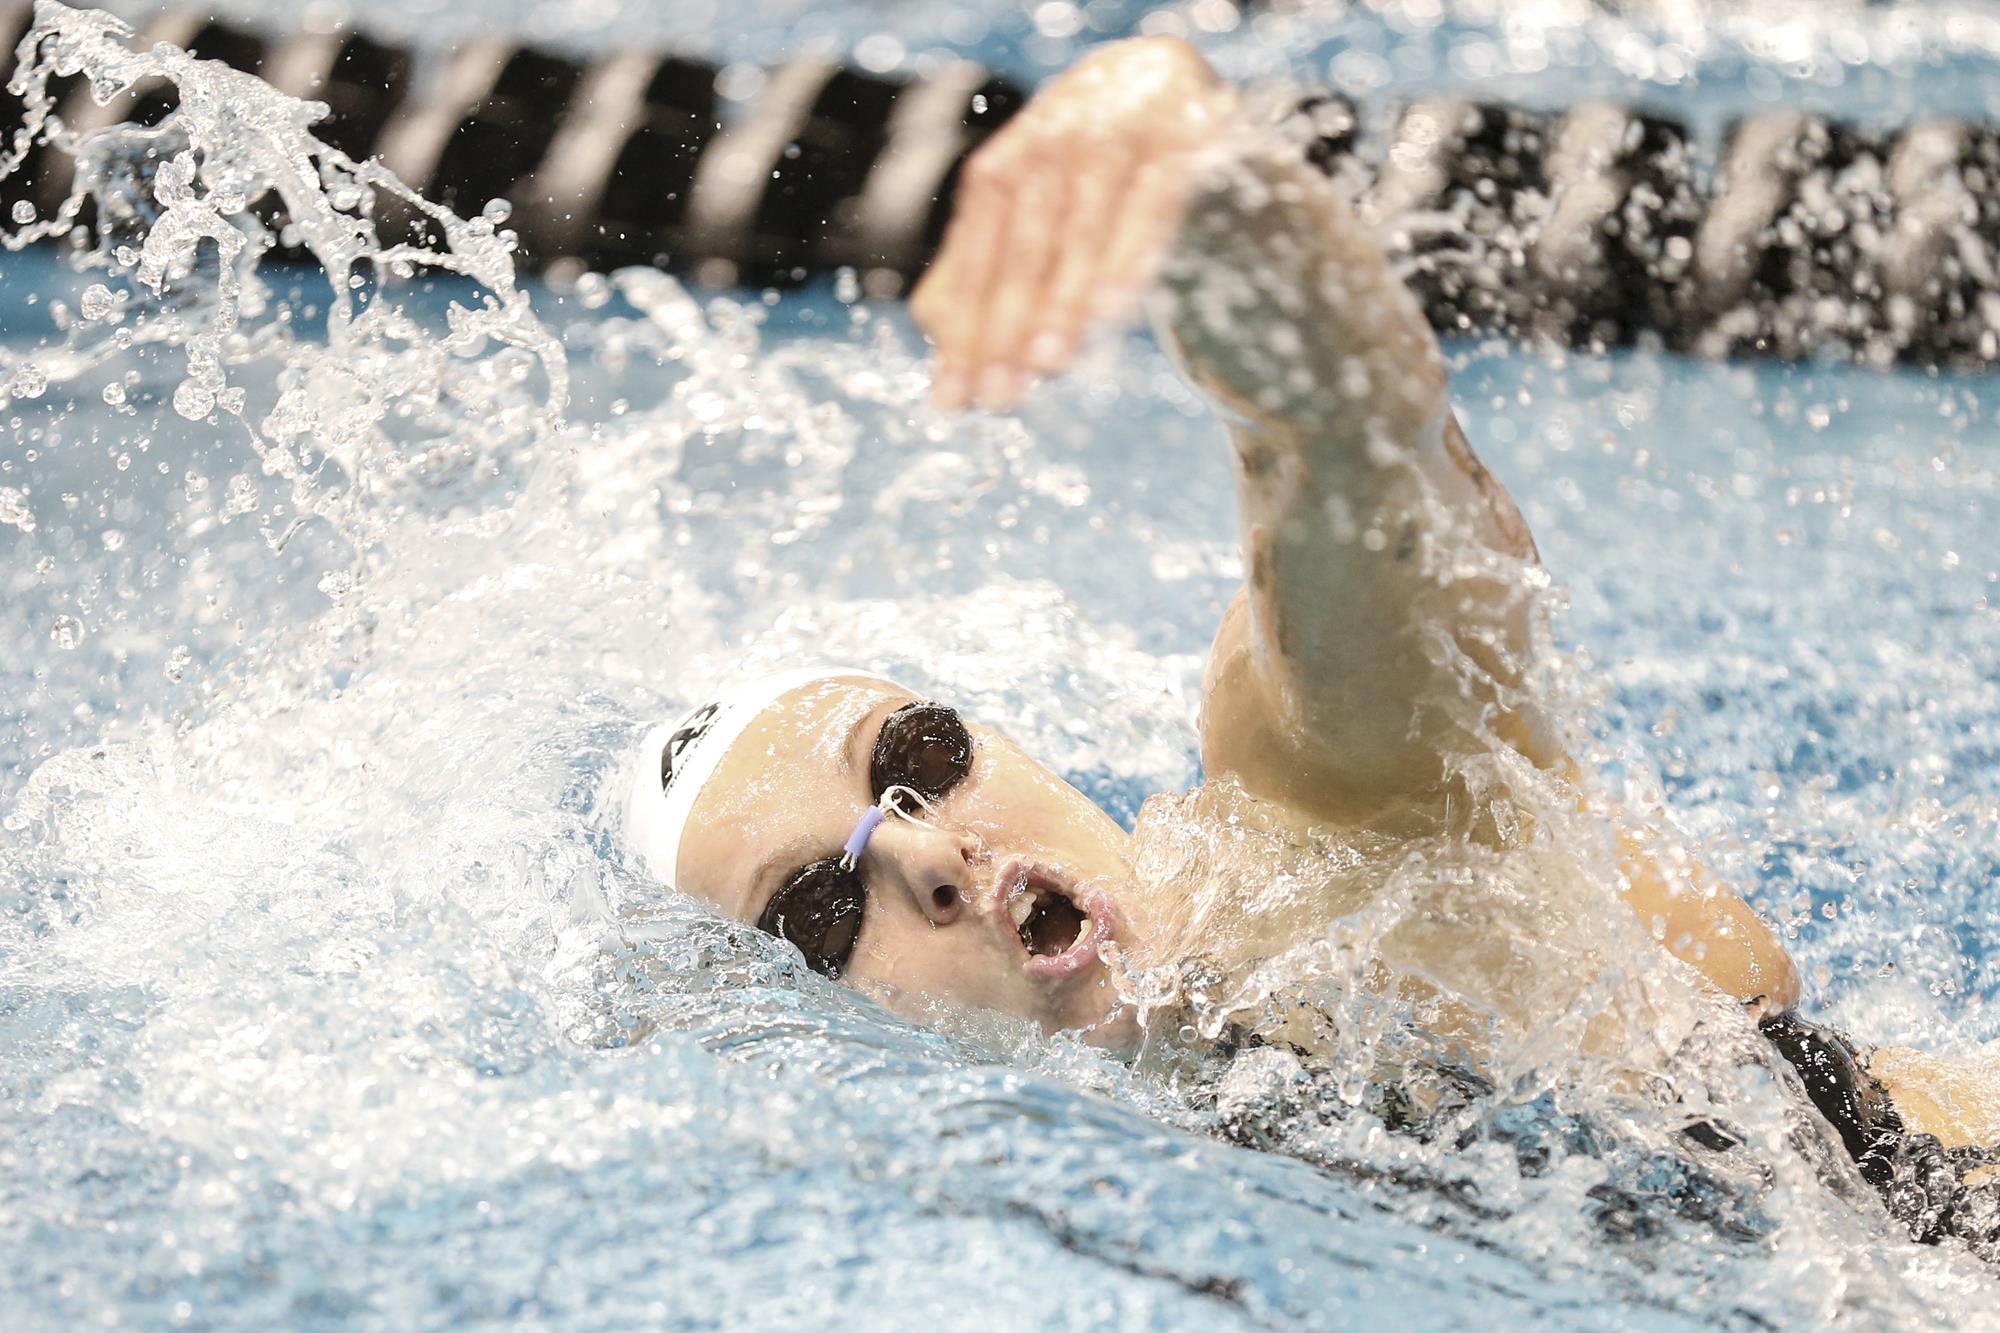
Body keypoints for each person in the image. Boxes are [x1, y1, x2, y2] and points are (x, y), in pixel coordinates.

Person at [625, 37, 2000, 1247]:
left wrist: (1209, 196)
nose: (926, 850)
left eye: (921, 755)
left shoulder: (1326, 838)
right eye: (817, 910)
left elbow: (1356, 453)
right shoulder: (1143, 1157)